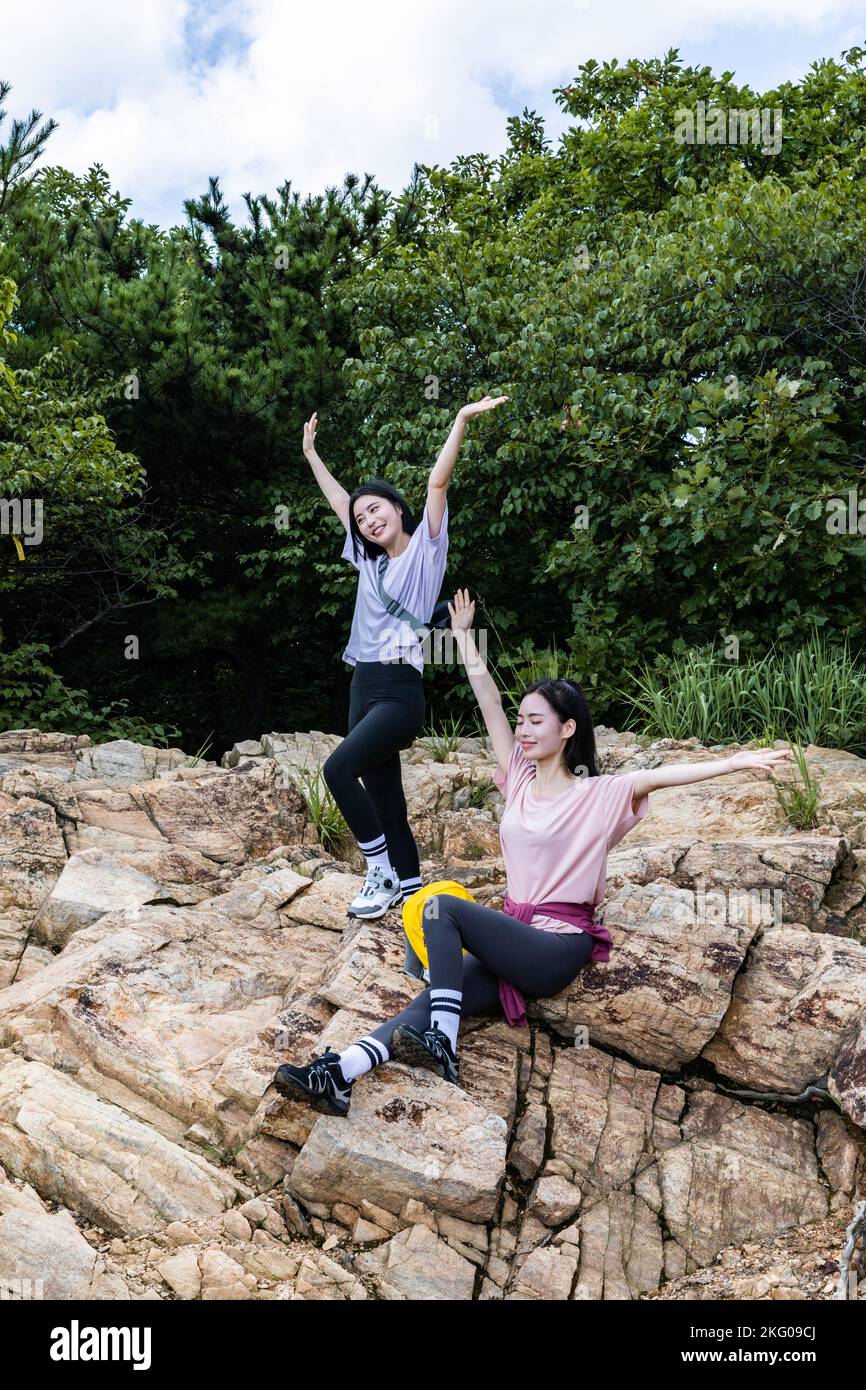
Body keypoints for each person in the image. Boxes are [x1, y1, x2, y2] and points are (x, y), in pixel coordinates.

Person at [273, 588, 792, 1116]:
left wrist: (732, 763)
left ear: (568, 729)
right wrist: (464, 642)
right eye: (522, 720)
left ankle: (444, 1045)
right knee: (426, 1000)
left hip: (556, 947)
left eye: (536, 721)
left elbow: (663, 776)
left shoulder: (598, 793)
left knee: (437, 904)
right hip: (515, 938)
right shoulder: (518, 780)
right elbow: (489, 705)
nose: (523, 729)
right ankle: (338, 1074)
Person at [303, 398, 508, 979]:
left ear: (398, 509)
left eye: (378, 510)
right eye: (363, 517)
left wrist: (461, 420)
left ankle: (379, 871)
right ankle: (411, 894)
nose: (369, 520)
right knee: (385, 793)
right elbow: (339, 503)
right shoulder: (367, 563)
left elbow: (437, 481)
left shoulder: (424, 551)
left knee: (338, 770)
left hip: (399, 691)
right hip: (362, 684)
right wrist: (312, 454)